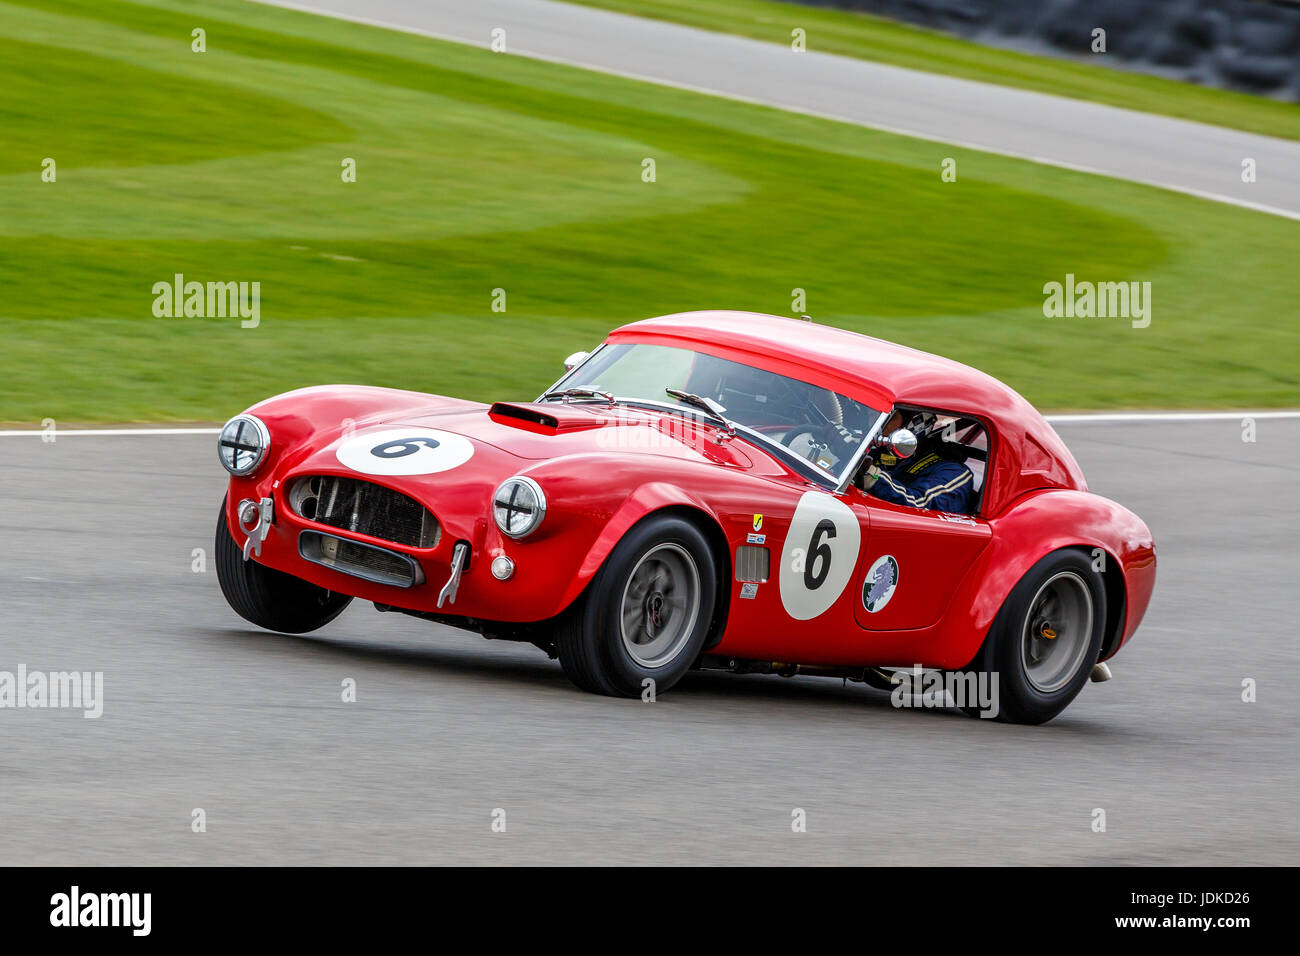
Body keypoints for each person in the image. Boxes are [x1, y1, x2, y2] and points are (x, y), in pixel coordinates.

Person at [861, 411, 976, 514]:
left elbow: (920, 506)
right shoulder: (881, 450)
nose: (874, 422)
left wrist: (873, 477)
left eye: (890, 417)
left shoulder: (954, 472)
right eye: (875, 415)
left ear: (913, 425)